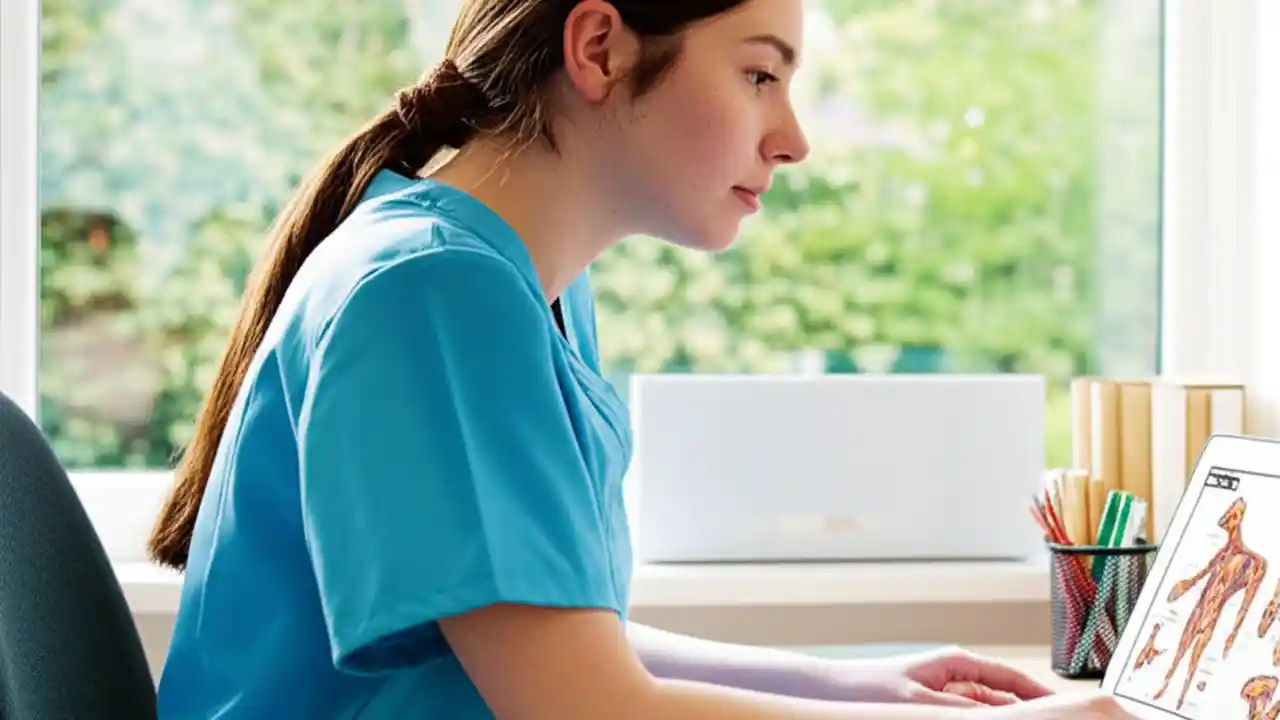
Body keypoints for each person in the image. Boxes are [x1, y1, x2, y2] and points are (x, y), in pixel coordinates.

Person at [147, 1, 1139, 717]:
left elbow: (562, 645)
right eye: (759, 73)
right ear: (598, 49)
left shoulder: (522, 286)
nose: (791, 139)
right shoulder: (434, 293)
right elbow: (586, 708)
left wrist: (863, 681)